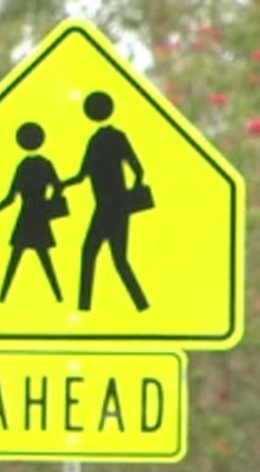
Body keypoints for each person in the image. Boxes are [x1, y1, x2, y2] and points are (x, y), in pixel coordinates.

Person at [64, 91, 150, 312]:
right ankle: (141, 305)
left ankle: (85, 307)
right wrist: (133, 190)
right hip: (116, 207)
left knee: (92, 255)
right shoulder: (114, 137)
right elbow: (138, 170)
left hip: (107, 208)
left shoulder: (97, 141)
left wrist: (62, 185)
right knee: (117, 259)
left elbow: (82, 175)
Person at [0, 121, 66, 304]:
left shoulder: (23, 166)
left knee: (19, 258)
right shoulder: (44, 164)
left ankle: (3, 297)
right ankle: (58, 297)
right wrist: (49, 204)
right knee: (39, 258)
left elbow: (11, 197)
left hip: (27, 215)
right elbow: (58, 187)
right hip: (38, 215)